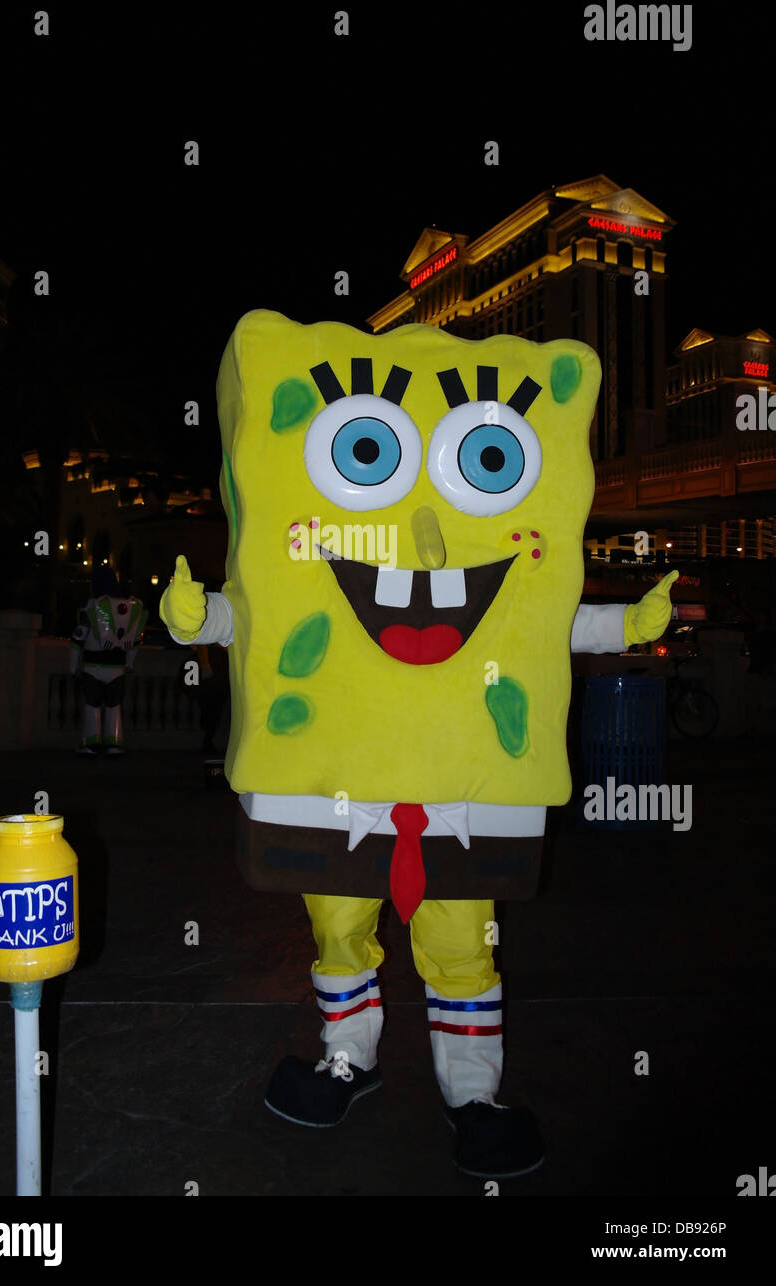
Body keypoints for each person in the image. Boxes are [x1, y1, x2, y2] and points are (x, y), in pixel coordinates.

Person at [159, 310, 677, 1177]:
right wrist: (196, 617)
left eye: (490, 459)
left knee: (461, 947)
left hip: (462, 798)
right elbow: (258, 610)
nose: (429, 536)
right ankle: (346, 1057)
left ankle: (473, 1091)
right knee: (338, 935)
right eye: (365, 450)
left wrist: (625, 621)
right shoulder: (311, 551)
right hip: (331, 792)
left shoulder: (504, 569)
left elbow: (540, 623)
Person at [69, 567, 146, 755]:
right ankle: (114, 742)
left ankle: (91, 742)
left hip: (92, 667)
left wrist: (73, 666)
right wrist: (129, 662)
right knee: (114, 706)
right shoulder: (128, 609)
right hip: (117, 667)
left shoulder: (90, 607)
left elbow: (78, 639)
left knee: (91, 705)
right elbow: (135, 641)